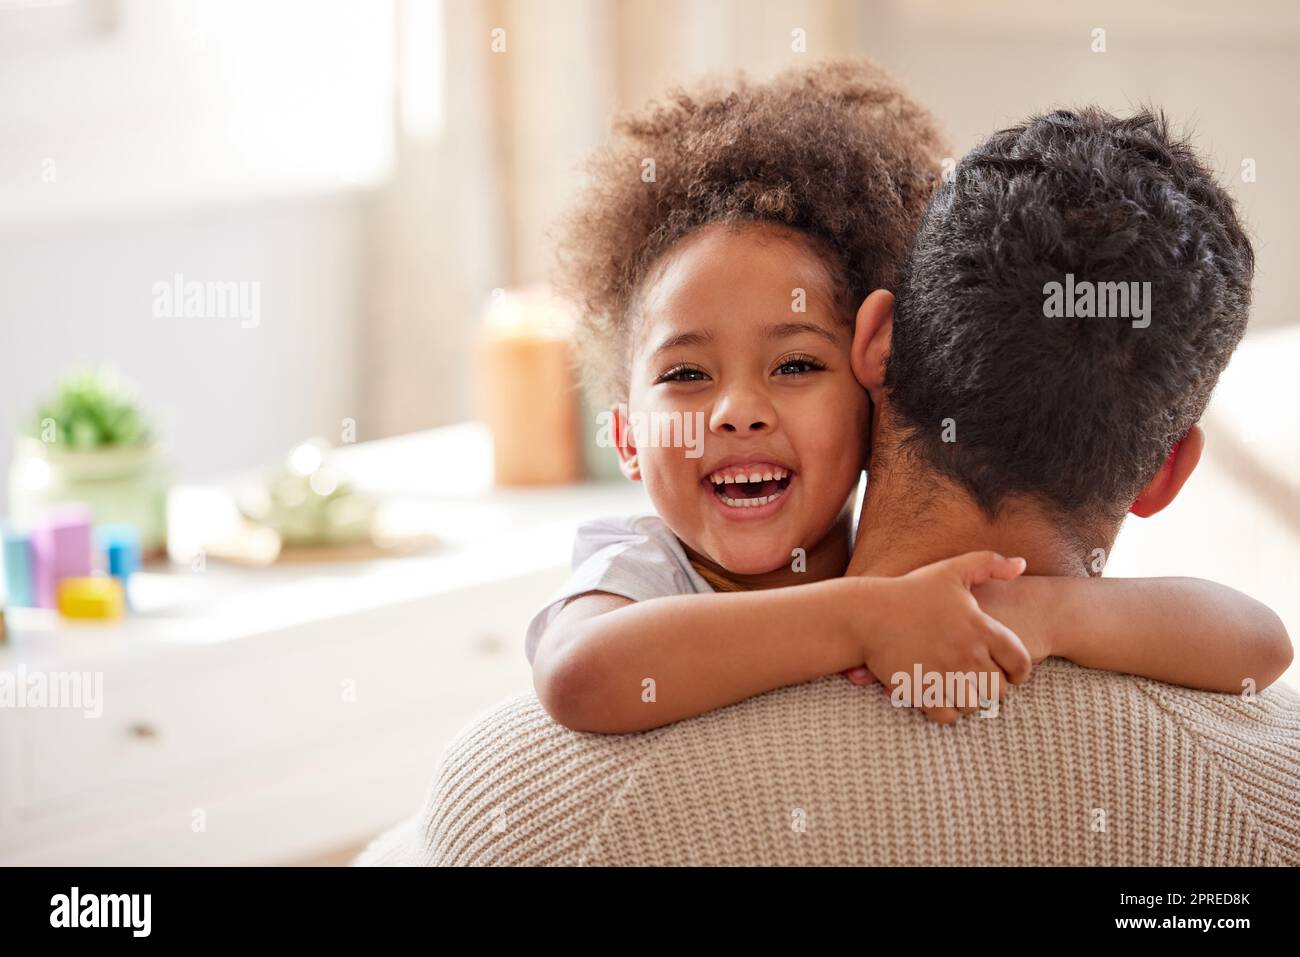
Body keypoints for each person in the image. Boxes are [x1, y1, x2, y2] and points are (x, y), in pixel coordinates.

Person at [356, 103, 1299, 867]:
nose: (735, 411)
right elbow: (579, 672)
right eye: (686, 374)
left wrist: (1041, 612)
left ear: (871, 357)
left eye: (794, 367)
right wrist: (863, 617)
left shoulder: (527, 816)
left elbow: (1263, 641)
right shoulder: (635, 567)